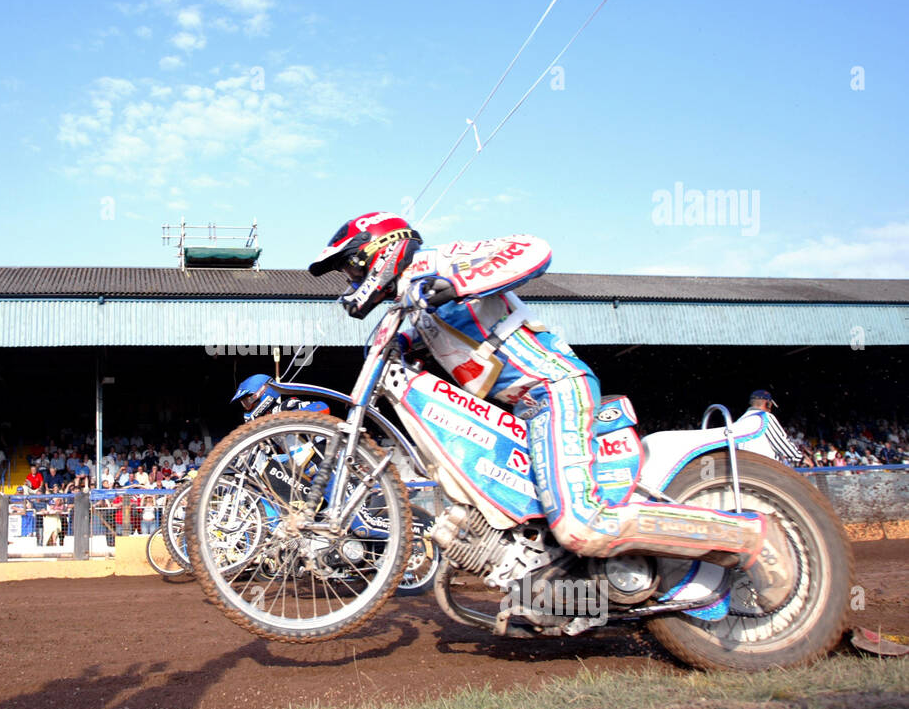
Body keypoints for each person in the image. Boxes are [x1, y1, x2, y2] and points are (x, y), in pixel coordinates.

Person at [308, 211, 793, 610]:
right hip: (524, 411)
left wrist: (457, 281)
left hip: (555, 389)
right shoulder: (414, 308)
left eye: (350, 266)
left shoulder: (442, 262)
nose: (351, 278)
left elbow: (533, 247)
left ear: (380, 248)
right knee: (532, 522)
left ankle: (748, 537)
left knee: (582, 525)